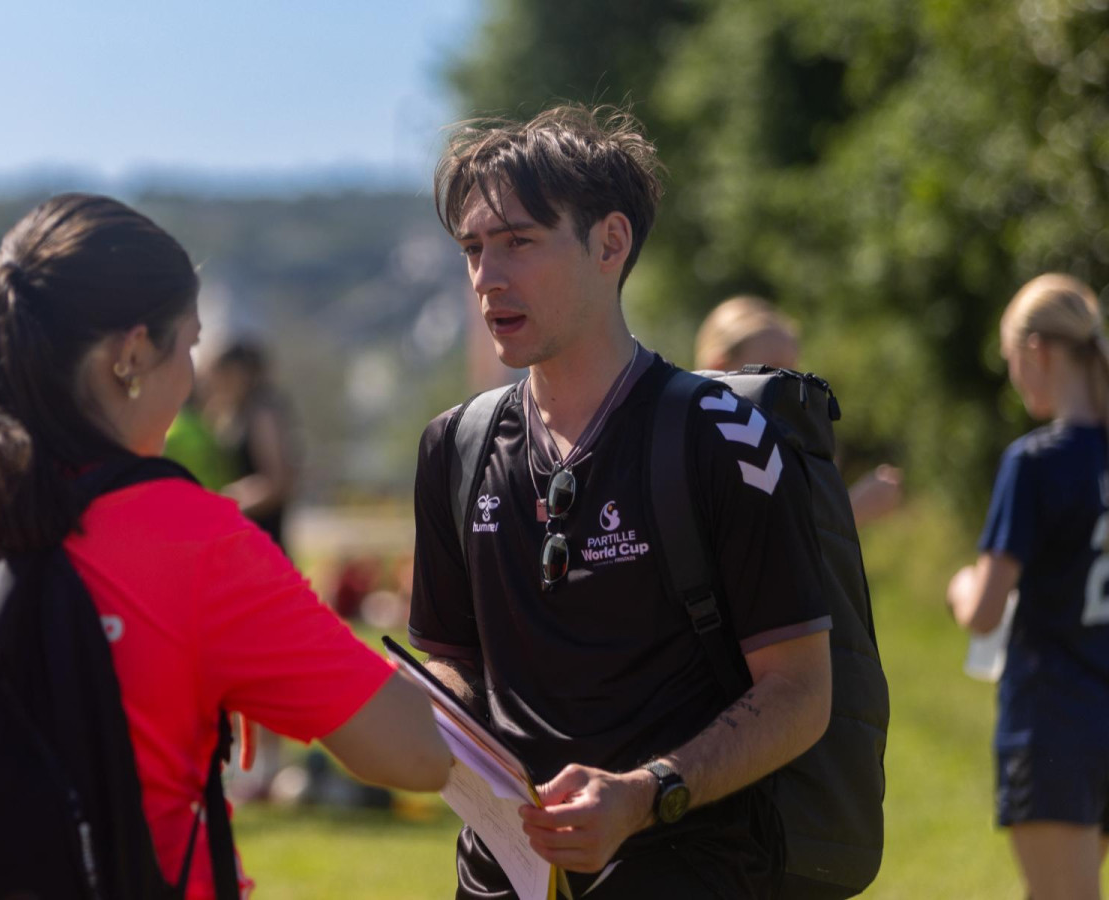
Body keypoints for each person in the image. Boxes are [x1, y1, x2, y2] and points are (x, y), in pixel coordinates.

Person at [0, 193, 451, 898]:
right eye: (188, 346)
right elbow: (416, 754)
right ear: (133, 354)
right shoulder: (195, 540)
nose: (191, 382)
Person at [411, 105, 833, 898]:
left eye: (519, 241)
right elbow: (456, 660)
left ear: (610, 243)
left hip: (688, 870)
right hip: (500, 877)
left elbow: (800, 690)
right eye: (473, 248)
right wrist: (404, 700)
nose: (486, 277)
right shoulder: (453, 448)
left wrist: (646, 794)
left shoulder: (722, 439)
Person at [946, 273, 1109, 900]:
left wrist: (961, 585)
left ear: (1036, 350)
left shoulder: (1035, 461)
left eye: (1011, 359)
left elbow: (985, 611)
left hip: (1053, 724)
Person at [695, 294, 903, 528]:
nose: (790, 388)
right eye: (772, 372)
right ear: (718, 368)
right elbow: (771, 552)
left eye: (794, 373)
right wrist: (853, 509)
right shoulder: (705, 454)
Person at [201, 341, 298, 554]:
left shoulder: (262, 413)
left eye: (219, 379)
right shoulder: (234, 412)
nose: (215, 387)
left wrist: (229, 501)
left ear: (237, 374)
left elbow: (276, 482)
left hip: (264, 536)